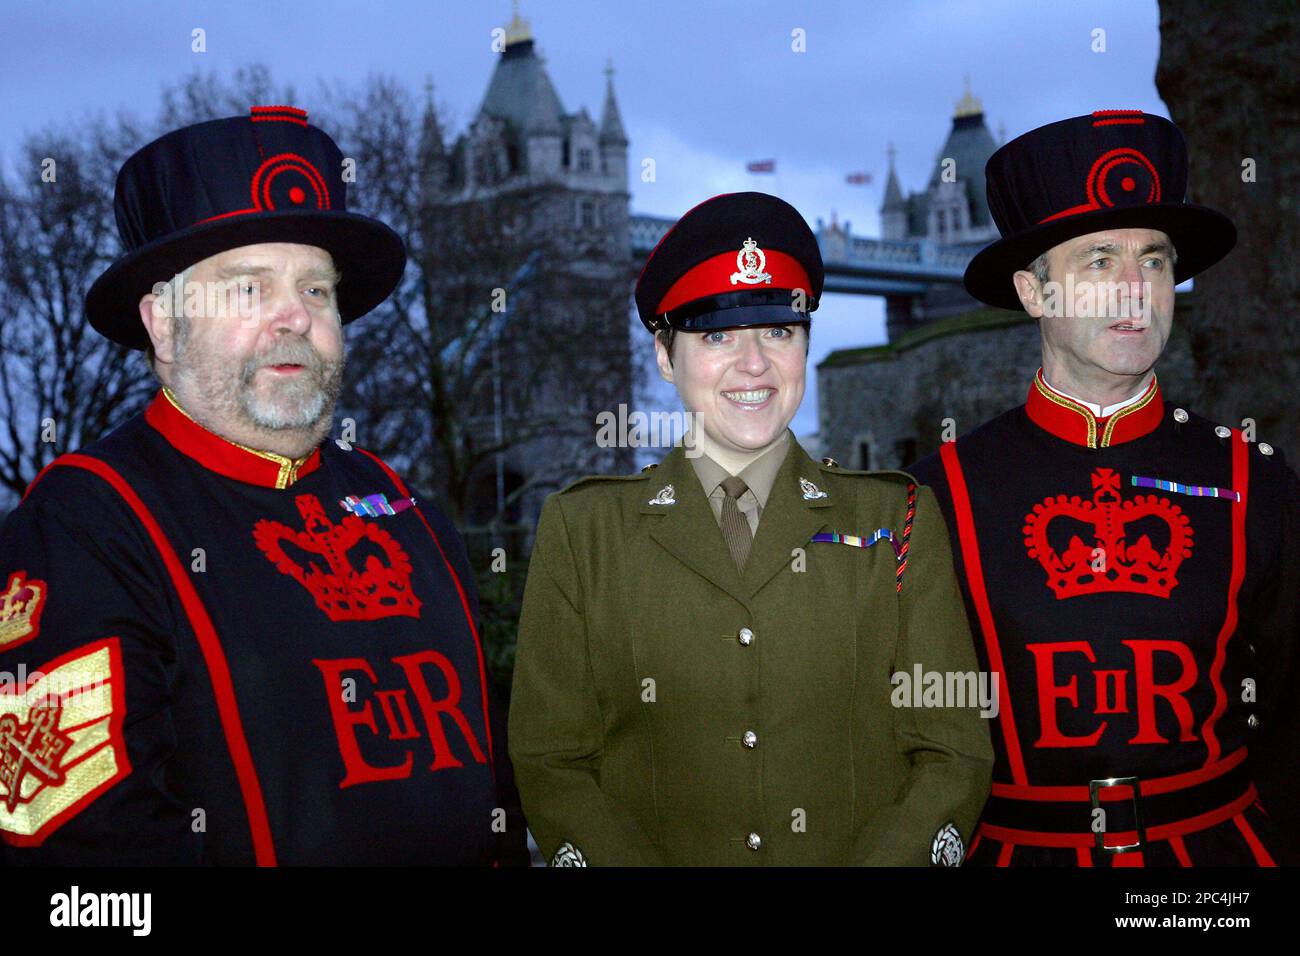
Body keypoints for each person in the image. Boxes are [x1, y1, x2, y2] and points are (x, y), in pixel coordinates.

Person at [0, 105, 522, 865]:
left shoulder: (403, 506)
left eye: (316, 291)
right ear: (164, 322)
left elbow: (493, 789)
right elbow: (84, 859)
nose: (294, 318)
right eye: (247, 289)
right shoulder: (84, 526)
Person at [509, 191, 993, 866]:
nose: (755, 364)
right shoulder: (583, 533)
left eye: (778, 332)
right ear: (663, 356)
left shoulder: (900, 520)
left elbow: (953, 750)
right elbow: (553, 761)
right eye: (717, 337)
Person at [910, 110, 1300, 866]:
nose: (1136, 289)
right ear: (1033, 292)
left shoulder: (1256, 479)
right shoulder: (941, 493)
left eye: (1154, 261)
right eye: (1098, 261)